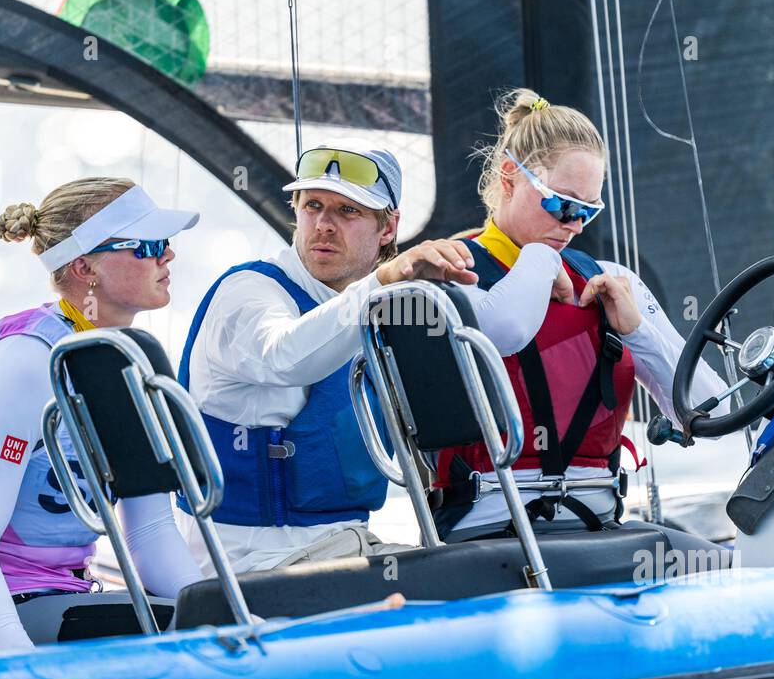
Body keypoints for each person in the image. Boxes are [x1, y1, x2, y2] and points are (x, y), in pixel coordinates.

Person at [0, 177, 206, 657]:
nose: (167, 256)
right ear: (84, 266)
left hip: (60, 600)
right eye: (149, 245)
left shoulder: (123, 360)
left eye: (167, 244)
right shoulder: (25, 364)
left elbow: (150, 532)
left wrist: (231, 620)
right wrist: (24, 666)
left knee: (213, 624)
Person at [176, 140, 487, 573]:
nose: (323, 224)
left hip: (342, 546)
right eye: (312, 205)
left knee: (482, 577)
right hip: (251, 563)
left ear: (388, 228)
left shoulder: (382, 308)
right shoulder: (248, 292)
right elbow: (285, 355)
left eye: (348, 211)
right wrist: (385, 278)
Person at [432, 90, 730, 541]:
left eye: (588, 212)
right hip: (488, 533)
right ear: (510, 177)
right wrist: (543, 260)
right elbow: (506, 331)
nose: (574, 225)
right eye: (562, 203)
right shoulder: (452, 271)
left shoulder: (609, 278)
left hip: (597, 526)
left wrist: (638, 332)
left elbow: (716, 415)